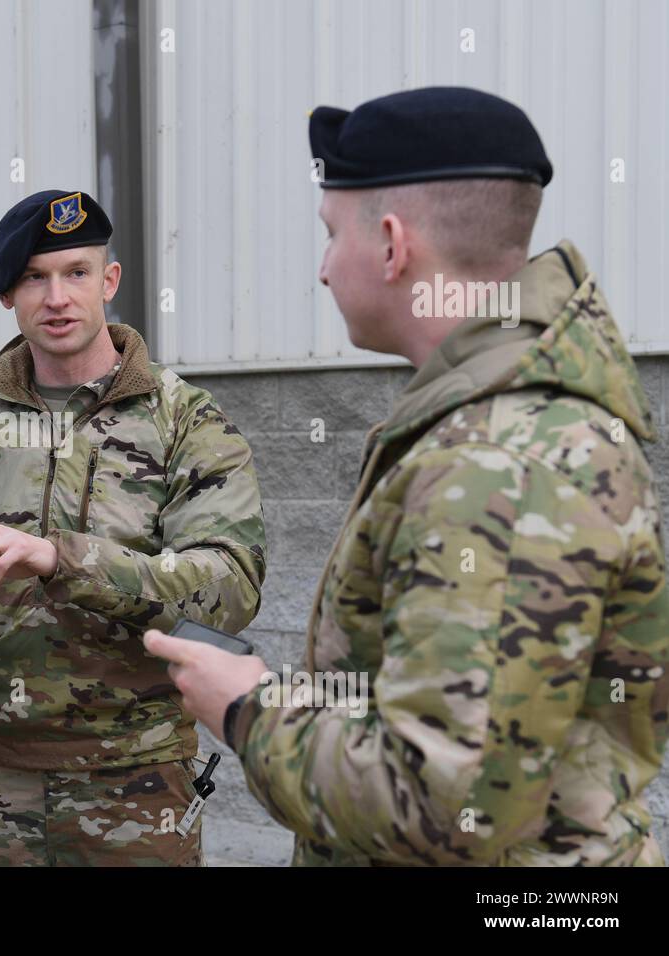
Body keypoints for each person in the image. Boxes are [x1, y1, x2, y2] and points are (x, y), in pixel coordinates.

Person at [146, 87, 669, 866]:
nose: (323, 270)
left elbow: (440, 803)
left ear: (392, 244)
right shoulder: (491, 422)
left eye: (330, 236)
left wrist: (247, 711)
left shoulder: (495, 466)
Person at [0, 189, 266, 866]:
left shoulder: (185, 421)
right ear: (6, 297)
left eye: (76, 273)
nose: (56, 297)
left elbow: (229, 586)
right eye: (33, 278)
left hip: (133, 785)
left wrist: (62, 560)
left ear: (109, 280)